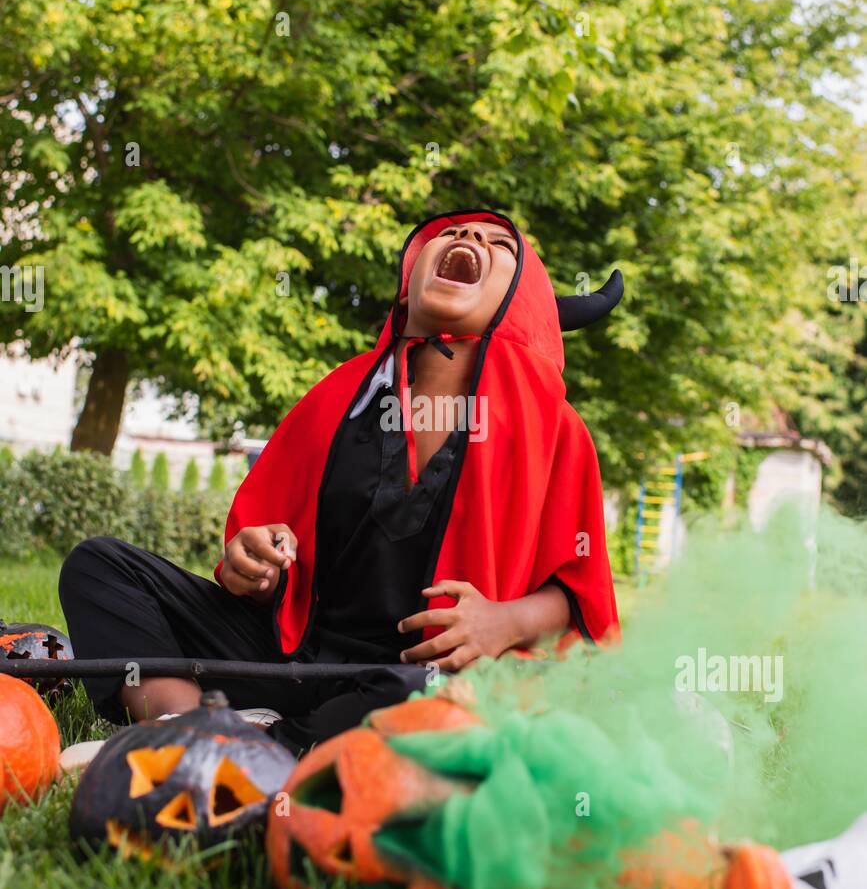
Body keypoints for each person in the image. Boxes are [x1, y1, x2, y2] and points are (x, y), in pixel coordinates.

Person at [59, 209, 621, 751]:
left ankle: (259, 745)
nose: (470, 233)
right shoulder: (337, 396)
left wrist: (503, 621)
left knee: (426, 702)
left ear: (523, 303)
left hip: (424, 673)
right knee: (100, 566)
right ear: (408, 286)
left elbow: (576, 593)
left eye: (500, 247)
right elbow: (260, 573)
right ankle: (185, 726)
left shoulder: (556, 430)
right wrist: (253, 569)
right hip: (291, 661)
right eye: (449, 232)